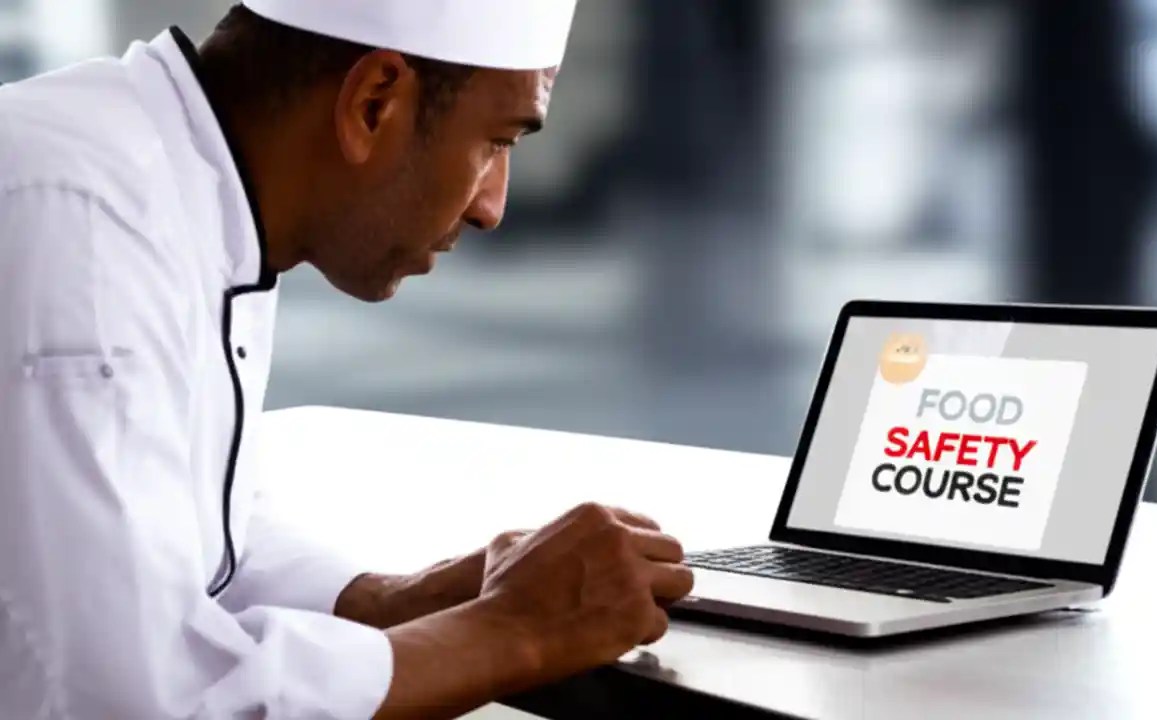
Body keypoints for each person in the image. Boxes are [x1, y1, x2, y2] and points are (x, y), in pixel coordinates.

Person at [0, 1, 694, 717]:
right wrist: (515, 630)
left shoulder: (172, 187)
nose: (493, 206)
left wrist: (400, 599)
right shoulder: (80, 223)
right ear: (373, 103)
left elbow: (177, 536)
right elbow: (128, 698)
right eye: (496, 142)